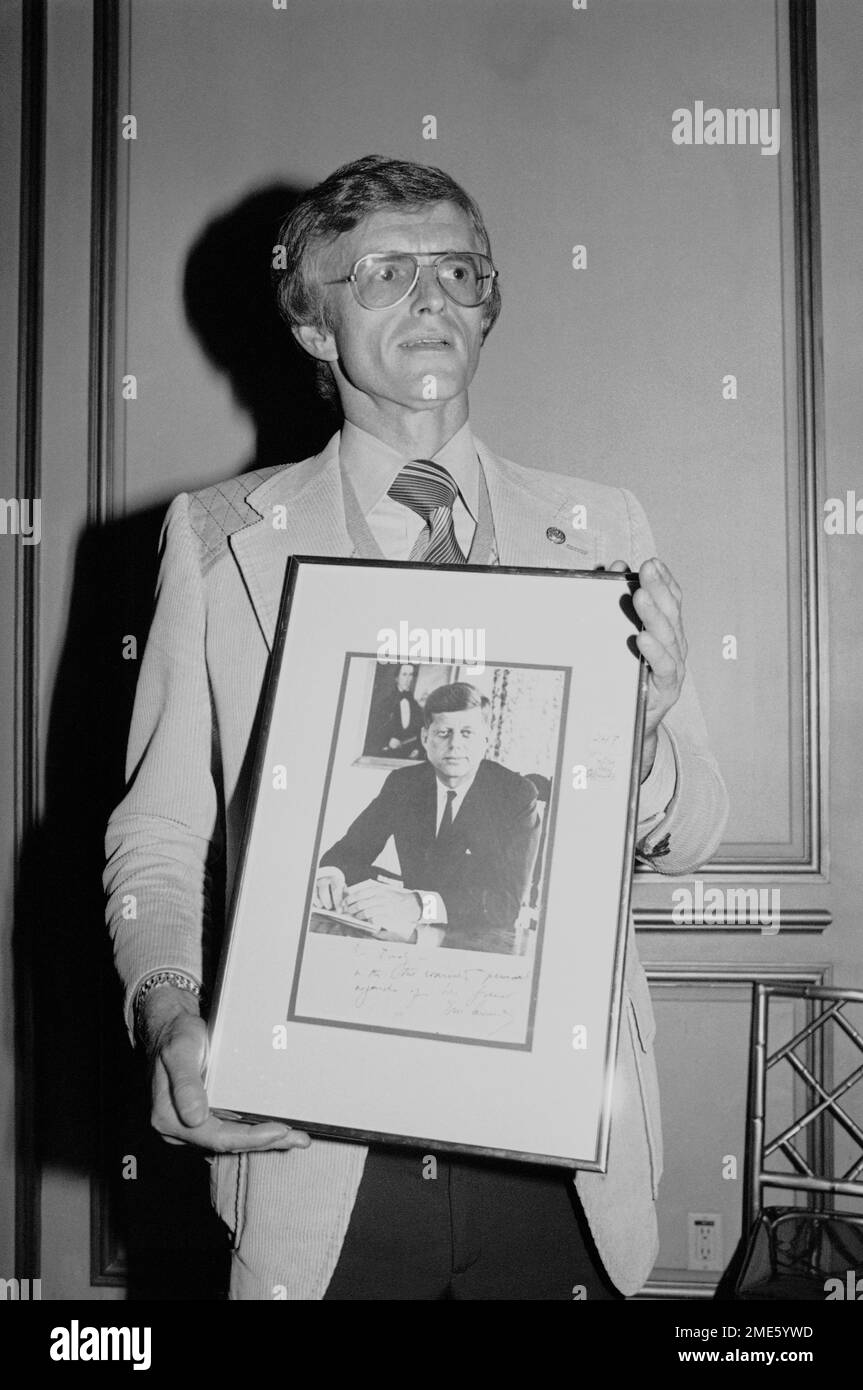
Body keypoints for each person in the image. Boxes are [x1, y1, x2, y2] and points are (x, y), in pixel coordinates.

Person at [104, 153, 729, 1300]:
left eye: (457, 270)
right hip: (318, 1156)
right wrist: (167, 1011)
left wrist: (636, 740)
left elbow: (686, 833)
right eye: (384, 273)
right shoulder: (214, 539)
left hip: (559, 1161)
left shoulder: (601, 527)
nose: (431, 296)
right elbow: (156, 837)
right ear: (312, 323)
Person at [314, 680, 540, 953]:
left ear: (486, 739)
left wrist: (421, 904)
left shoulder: (514, 794)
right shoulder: (403, 783)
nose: (455, 745)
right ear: (424, 738)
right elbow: (350, 851)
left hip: (480, 943)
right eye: (443, 732)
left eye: (467, 733)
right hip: (406, 937)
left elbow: (506, 903)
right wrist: (332, 874)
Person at [366, 661, 423, 758]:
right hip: (386, 754)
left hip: (408, 756)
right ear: (397, 678)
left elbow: (420, 732)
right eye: (404, 675)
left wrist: (417, 749)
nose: (408, 679)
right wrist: (387, 742)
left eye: (411, 675)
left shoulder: (415, 706)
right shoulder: (385, 703)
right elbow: (373, 731)